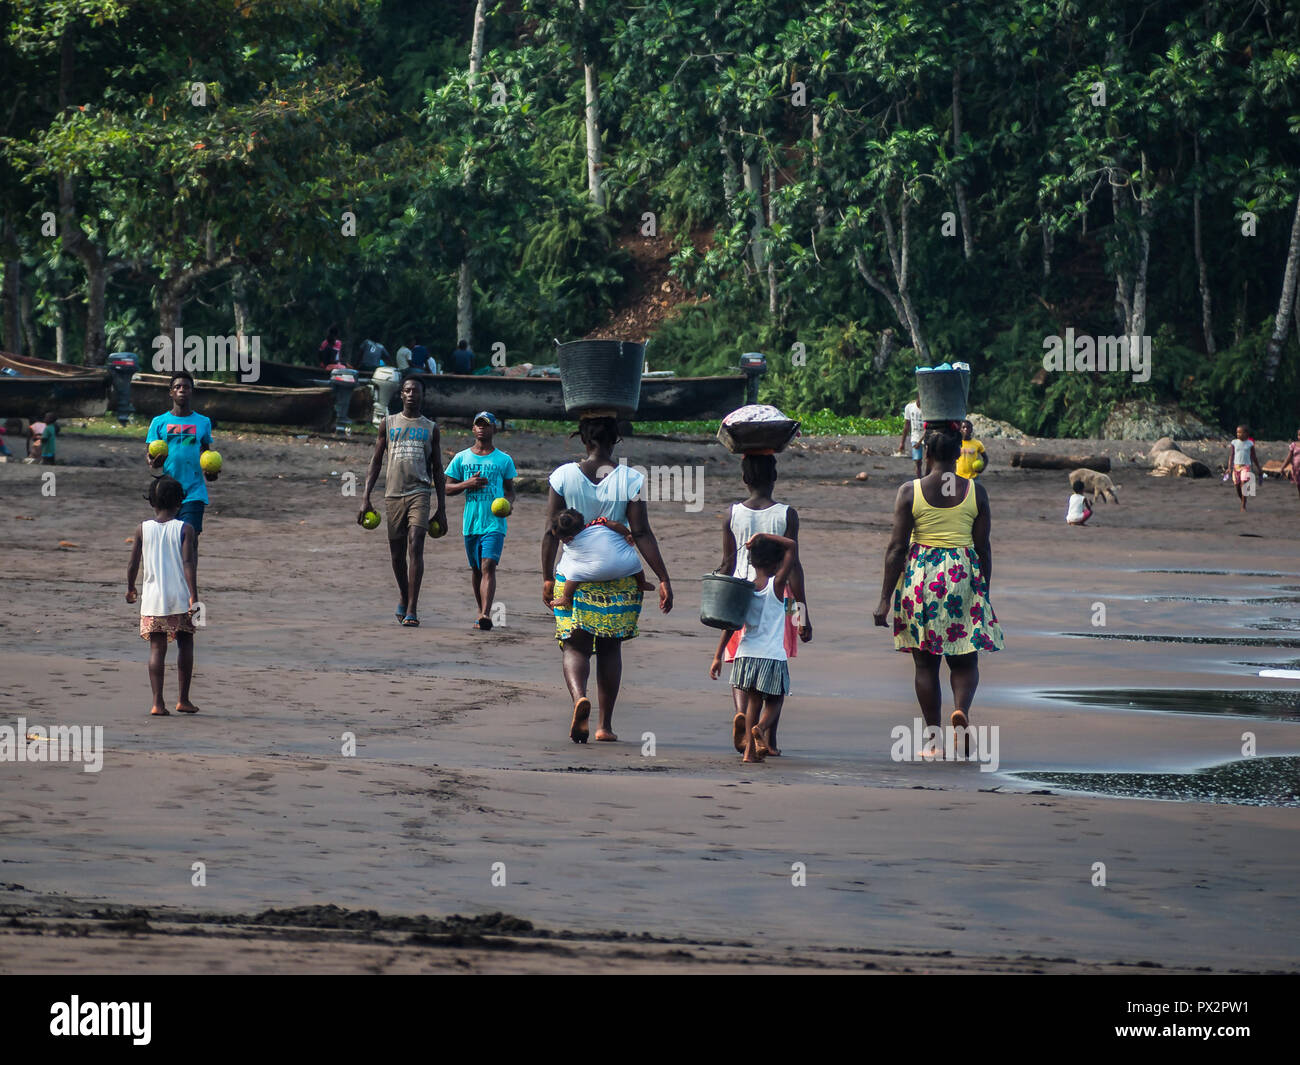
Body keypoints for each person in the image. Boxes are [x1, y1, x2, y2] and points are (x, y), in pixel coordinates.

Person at [873, 420, 1003, 756]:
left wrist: (884, 599)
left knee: (925, 665)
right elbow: (984, 547)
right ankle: (961, 710)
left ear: (926, 452)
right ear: (960, 452)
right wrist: (983, 591)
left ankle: (933, 741)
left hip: (921, 578)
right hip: (962, 573)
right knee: (964, 660)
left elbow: (896, 549)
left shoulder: (909, 491)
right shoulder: (977, 492)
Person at [542, 414, 673, 743]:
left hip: (575, 572)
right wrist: (663, 578)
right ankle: (605, 726)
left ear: (584, 441)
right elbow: (641, 532)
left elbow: (550, 533)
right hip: (621, 573)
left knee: (575, 644)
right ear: (616, 441)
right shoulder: (631, 479)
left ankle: (578, 699)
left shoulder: (563, 476)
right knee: (611, 648)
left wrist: (546, 577)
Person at [718, 453, 811, 755]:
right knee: (774, 665)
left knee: (740, 661)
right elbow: (794, 565)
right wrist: (803, 615)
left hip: (739, 596)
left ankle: (743, 719)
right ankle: (768, 739)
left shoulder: (731, 514)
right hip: (778, 596)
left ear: (744, 479)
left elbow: (727, 563)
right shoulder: (787, 514)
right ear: (774, 477)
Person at [358, 378, 447, 626]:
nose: (411, 395)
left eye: (415, 391)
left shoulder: (431, 428)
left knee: (415, 544)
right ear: (401, 394)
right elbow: (376, 462)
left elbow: (438, 469)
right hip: (393, 495)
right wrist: (365, 498)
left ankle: (412, 608)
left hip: (420, 492)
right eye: (407, 390)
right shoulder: (388, 423)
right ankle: (403, 593)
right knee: (397, 555)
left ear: (422, 395)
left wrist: (441, 508)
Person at [710, 533, 798, 763]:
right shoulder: (777, 586)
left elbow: (731, 624)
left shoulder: (744, 589)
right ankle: (760, 729)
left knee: (754, 702)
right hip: (771, 656)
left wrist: (718, 656)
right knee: (776, 698)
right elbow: (792, 546)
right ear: (775, 564)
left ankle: (749, 753)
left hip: (745, 654)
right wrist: (763, 536)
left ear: (752, 561)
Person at [125, 475, 199, 716]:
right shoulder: (185, 529)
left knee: (157, 649)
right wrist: (194, 597)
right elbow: (189, 564)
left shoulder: (142, 529)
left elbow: (133, 564)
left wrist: (130, 588)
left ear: (152, 502)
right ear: (180, 502)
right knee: (185, 644)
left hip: (152, 600)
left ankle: (157, 703)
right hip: (180, 596)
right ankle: (183, 699)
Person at [444, 411, 517, 630]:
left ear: (494, 429)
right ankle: (480, 611)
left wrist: (508, 505)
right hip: (471, 522)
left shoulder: (503, 459)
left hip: (494, 523)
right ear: (473, 429)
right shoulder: (462, 458)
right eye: (478, 425)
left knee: (489, 565)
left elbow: (510, 491)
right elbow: (446, 488)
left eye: (487, 425)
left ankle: (486, 613)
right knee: (476, 569)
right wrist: (467, 484)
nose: (482, 428)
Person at [146, 371, 219, 542]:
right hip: (166, 490)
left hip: (194, 490)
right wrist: (154, 463)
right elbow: (150, 457)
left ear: (191, 391)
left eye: (186, 387)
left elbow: (205, 453)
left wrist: (210, 472)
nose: (182, 390)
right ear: (171, 392)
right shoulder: (159, 422)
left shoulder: (203, 422)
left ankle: (189, 570)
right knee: (169, 540)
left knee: (189, 537)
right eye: (177, 387)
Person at [548, 508, 655, 608]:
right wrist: (627, 534)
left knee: (573, 573)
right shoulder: (598, 523)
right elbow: (616, 524)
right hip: (625, 568)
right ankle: (642, 582)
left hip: (597, 572)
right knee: (633, 561)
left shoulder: (571, 542)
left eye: (561, 539)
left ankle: (566, 598)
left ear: (569, 538)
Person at [1228, 424, 1262, 512]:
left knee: (1243, 483)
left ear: (1246, 434)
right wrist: (1229, 467)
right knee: (1237, 486)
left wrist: (1259, 468)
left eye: (1240, 432)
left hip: (1246, 466)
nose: (1238, 434)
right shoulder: (1234, 442)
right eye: (1237, 432)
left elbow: (1254, 456)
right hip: (1236, 467)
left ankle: (1243, 506)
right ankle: (1243, 500)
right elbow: (1231, 455)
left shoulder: (1250, 444)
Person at [898, 392, 924, 478]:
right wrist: (902, 443)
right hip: (915, 437)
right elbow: (907, 426)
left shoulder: (929, 408)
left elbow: (929, 428)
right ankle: (919, 480)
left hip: (927, 437)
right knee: (918, 461)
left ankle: (927, 479)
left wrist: (920, 442)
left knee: (929, 460)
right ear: (918, 397)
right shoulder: (909, 407)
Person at [1285, 428, 1300, 501]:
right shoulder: (1294, 445)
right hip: (1296, 471)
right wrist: (1282, 467)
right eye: (1299, 435)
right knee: (1298, 486)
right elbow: (1289, 457)